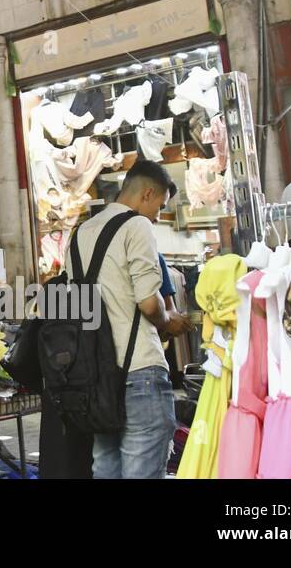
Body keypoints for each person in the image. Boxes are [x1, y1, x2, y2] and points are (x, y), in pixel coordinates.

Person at [63, 159, 191, 479]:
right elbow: (149, 304)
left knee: (106, 466)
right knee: (143, 469)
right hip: (139, 370)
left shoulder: (80, 234)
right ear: (147, 193)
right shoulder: (137, 225)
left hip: (96, 374)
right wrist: (169, 321)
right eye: (160, 206)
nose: (158, 216)